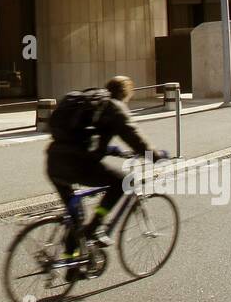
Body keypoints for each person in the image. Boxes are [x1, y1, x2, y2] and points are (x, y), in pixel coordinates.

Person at [46, 76, 169, 257]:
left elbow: (86, 139)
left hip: (54, 161)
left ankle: (72, 263)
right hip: (78, 165)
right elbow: (135, 138)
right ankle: (95, 228)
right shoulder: (114, 107)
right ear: (126, 94)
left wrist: (116, 151)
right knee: (122, 182)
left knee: (76, 218)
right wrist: (156, 156)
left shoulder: (92, 103)